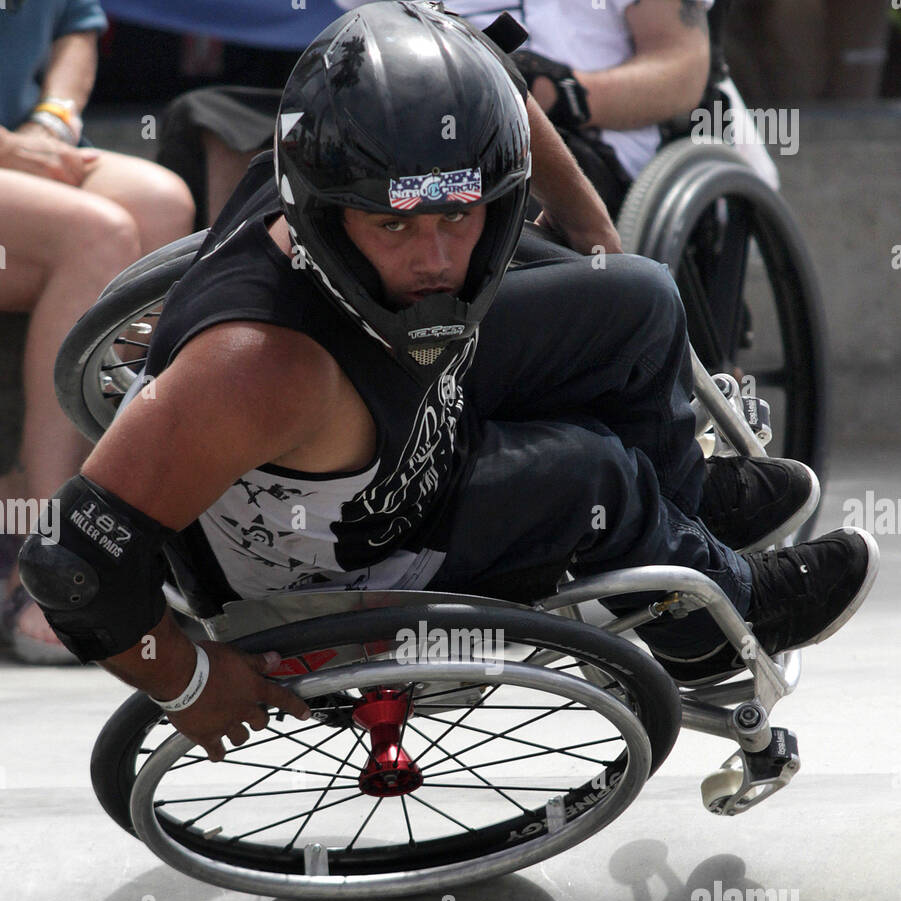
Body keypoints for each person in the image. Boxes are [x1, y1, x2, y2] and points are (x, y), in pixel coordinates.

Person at [18, 1, 876, 765]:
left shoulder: (338, 152)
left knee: (640, 297)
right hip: (354, 543)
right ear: (323, 208)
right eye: (393, 222)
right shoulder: (255, 364)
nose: (433, 259)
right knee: (595, 469)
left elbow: (488, 77)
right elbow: (72, 564)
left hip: (405, 408)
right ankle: (705, 622)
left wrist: (589, 227)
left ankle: (682, 509)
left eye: (457, 217)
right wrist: (187, 681)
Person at [0, 0, 196, 663]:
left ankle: (113, 519)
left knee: (162, 203)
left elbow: (75, 27)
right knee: (97, 234)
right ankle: (43, 548)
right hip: (9, 155)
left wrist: (51, 122)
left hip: (31, 149)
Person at [451, 0, 715, 220]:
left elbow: (684, 75)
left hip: (590, 148)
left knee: (491, 205)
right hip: (452, 126)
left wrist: (561, 93)